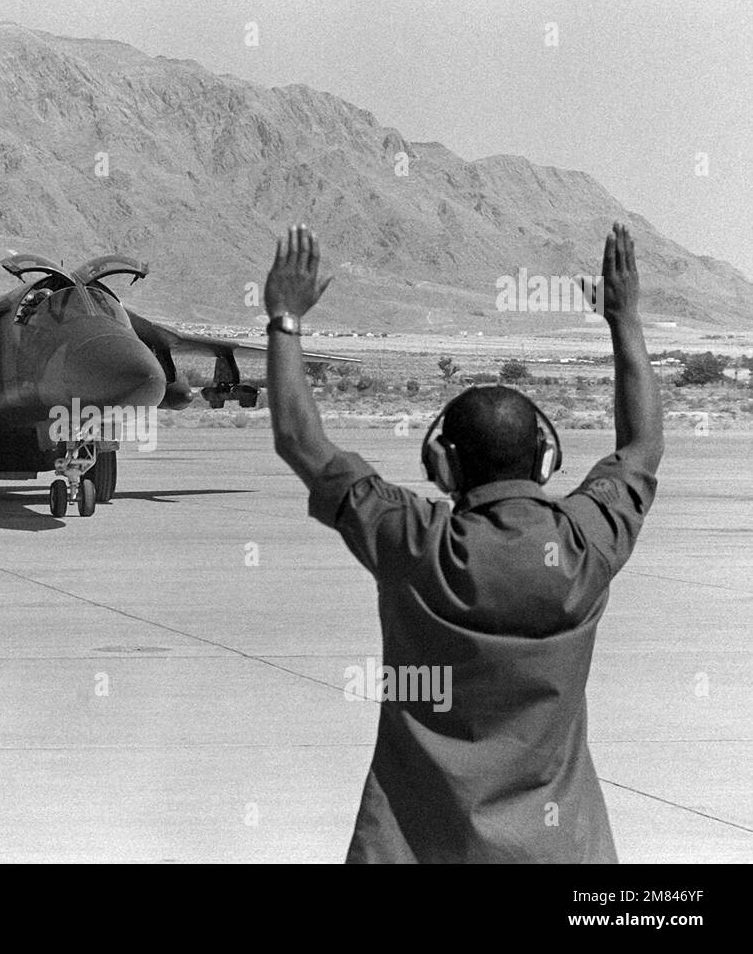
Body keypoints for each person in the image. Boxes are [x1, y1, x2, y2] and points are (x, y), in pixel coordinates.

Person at [265, 222, 663, 862]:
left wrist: (284, 320)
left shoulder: (414, 543)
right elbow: (641, 447)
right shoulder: (586, 543)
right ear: (547, 459)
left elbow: (301, 443)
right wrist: (625, 318)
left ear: (440, 465)